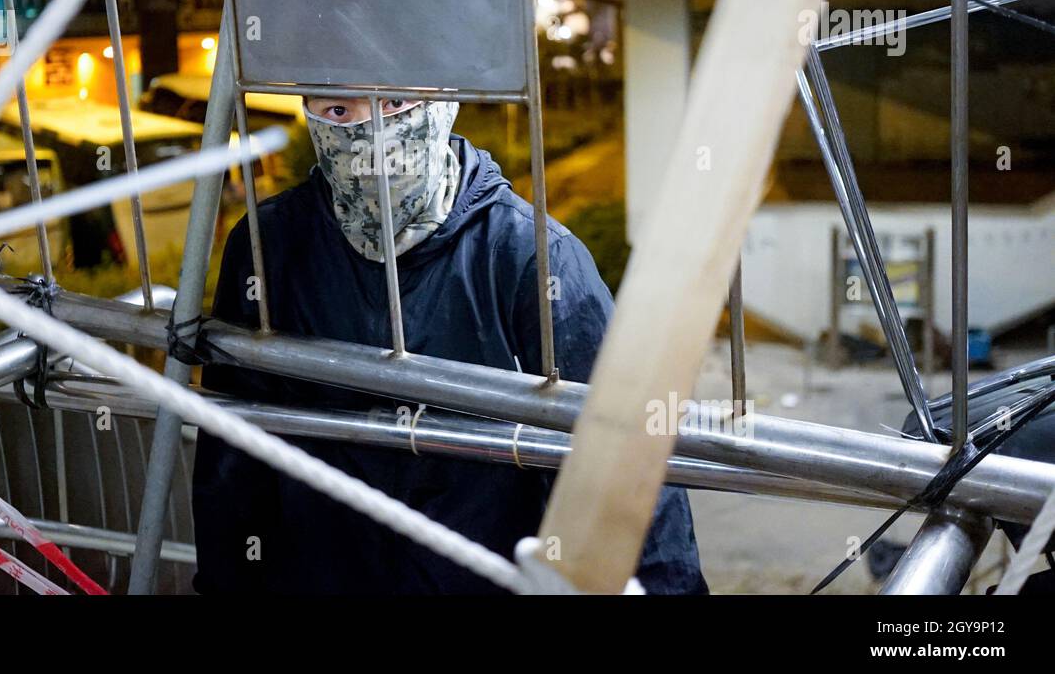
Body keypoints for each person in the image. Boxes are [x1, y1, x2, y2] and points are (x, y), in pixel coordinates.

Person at [191, 96, 707, 594]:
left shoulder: (532, 257)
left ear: (442, 101)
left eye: (394, 106)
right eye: (337, 111)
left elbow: (624, 465)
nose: (371, 136)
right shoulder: (271, 244)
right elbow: (234, 450)